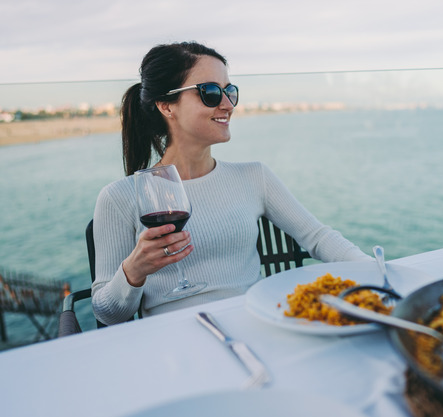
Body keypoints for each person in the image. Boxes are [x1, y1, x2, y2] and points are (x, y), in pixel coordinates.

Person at [92, 41, 370, 325]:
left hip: (256, 324)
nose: (227, 105)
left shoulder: (254, 177)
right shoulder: (119, 197)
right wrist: (133, 271)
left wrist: (376, 273)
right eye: (210, 93)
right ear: (166, 106)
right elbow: (106, 313)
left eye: (230, 91)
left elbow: (319, 238)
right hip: (173, 343)